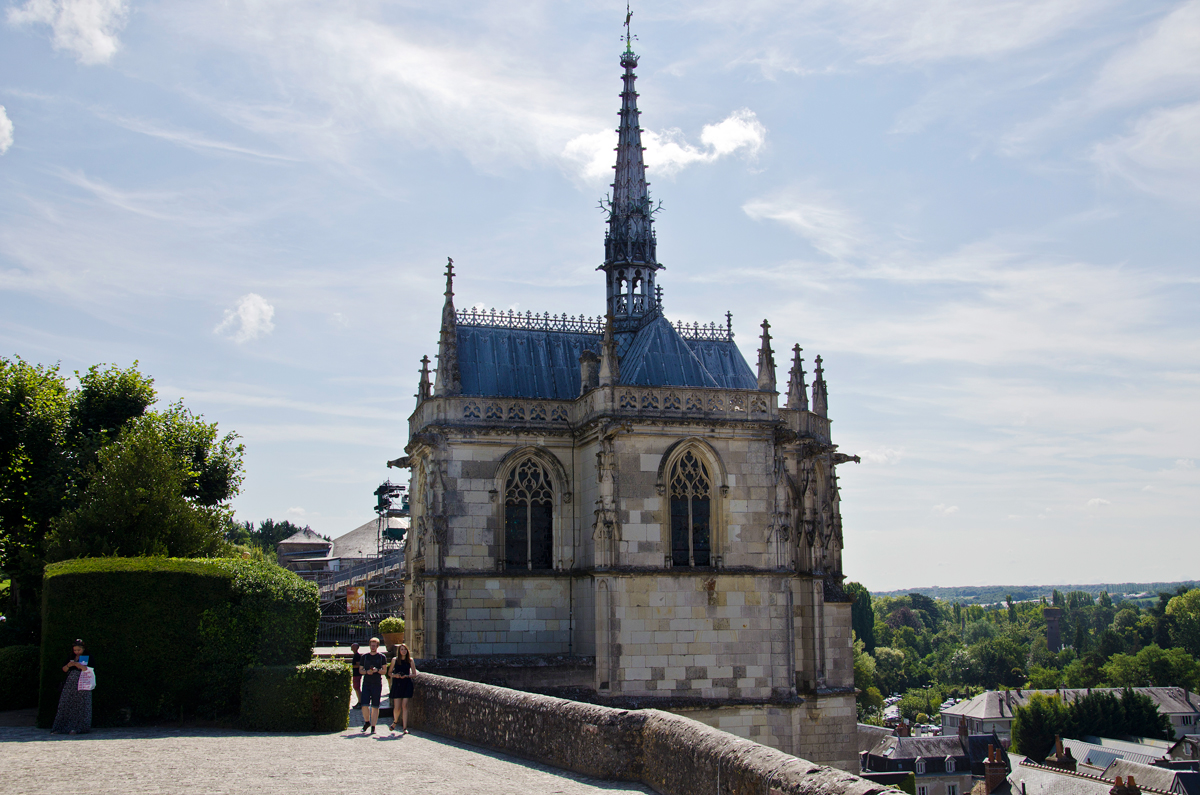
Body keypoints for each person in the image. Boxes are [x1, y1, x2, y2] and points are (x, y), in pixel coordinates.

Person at [50, 639, 92, 735]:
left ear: (83, 649)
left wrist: (79, 665)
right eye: (75, 650)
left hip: (83, 682)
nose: (77, 652)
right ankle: (61, 727)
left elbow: (88, 669)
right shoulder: (71, 657)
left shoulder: (88, 657)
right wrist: (69, 665)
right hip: (70, 683)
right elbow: (64, 669)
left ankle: (78, 727)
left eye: (79, 650)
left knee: (80, 705)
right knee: (66, 703)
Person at [358, 637, 387, 734]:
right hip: (367, 683)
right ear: (369, 645)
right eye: (371, 645)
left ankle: (373, 726)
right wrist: (367, 672)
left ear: (377, 646)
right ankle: (367, 722)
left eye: (375, 646)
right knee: (364, 705)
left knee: (375, 706)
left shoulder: (381, 657)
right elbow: (360, 670)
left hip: (377, 683)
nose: (373, 647)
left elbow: (384, 671)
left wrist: (377, 670)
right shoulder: (364, 657)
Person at [387, 643, 418, 734]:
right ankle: (395, 721)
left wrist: (407, 676)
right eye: (401, 649)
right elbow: (389, 673)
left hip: (406, 683)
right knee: (397, 707)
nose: (403, 651)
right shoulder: (394, 660)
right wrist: (395, 675)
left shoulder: (410, 660)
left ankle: (405, 728)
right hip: (397, 684)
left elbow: (414, 674)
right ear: (399, 651)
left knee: (404, 706)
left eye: (405, 649)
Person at [349, 642, 362, 708]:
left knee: (356, 688)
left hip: (357, 674)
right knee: (356, 687)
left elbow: (358, 665)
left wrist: (352, 667)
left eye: (352, 646)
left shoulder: (357, 655)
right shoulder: (355, 655)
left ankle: (360, 701)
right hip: (356, 674)